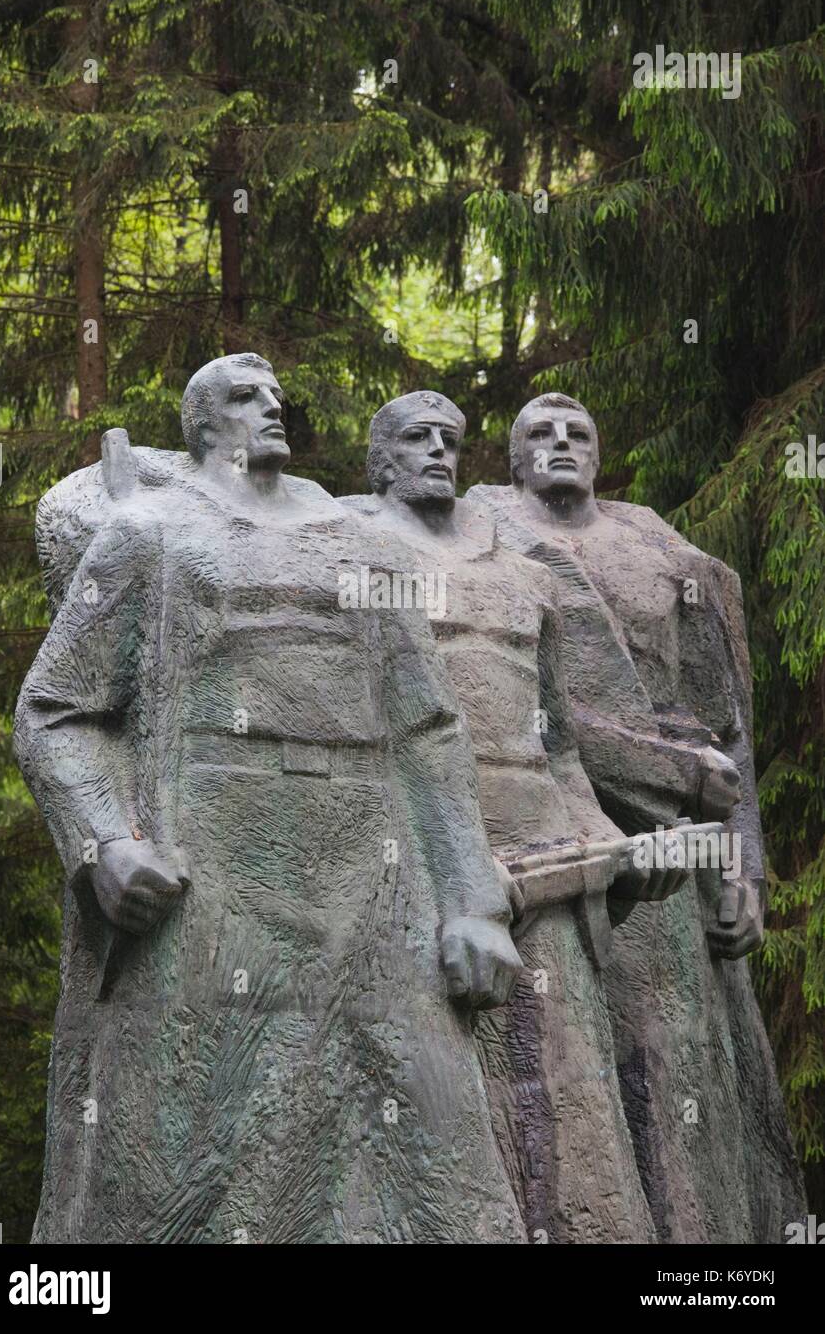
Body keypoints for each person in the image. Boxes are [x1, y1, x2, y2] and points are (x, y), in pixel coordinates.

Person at [15, 354, 528, 1245]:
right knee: (188, 1157)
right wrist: (106, 843)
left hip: (373, 879)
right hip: (209, 874)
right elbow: (55, 711)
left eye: (276, 397)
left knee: (429, 1153)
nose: (272, 407)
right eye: (247, 397)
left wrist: (473, 899)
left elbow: (429, 730)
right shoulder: (150, 533)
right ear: (203, 424)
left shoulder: (366, 547)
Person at [342, 390, 704, 1243]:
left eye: (450, 439)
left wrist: (614, 847)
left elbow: (565, 749)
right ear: (377, 460)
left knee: (567, 1096)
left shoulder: (527, 579)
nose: (437, 451)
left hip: (547, 851)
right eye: (415, 439)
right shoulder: (351, 558)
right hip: (426, 860)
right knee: (435, 1096)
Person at [468, 391, 806, 1242]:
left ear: (599, 453)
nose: (559, 443)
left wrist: (744, 872)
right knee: (561, 1075)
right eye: (538, 434)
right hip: (550, 836)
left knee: (675, 1070)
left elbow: (727, 734)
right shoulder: (480, 536)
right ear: (511, 462)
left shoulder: (659, 549)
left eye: (577, 432)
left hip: (678, 855)